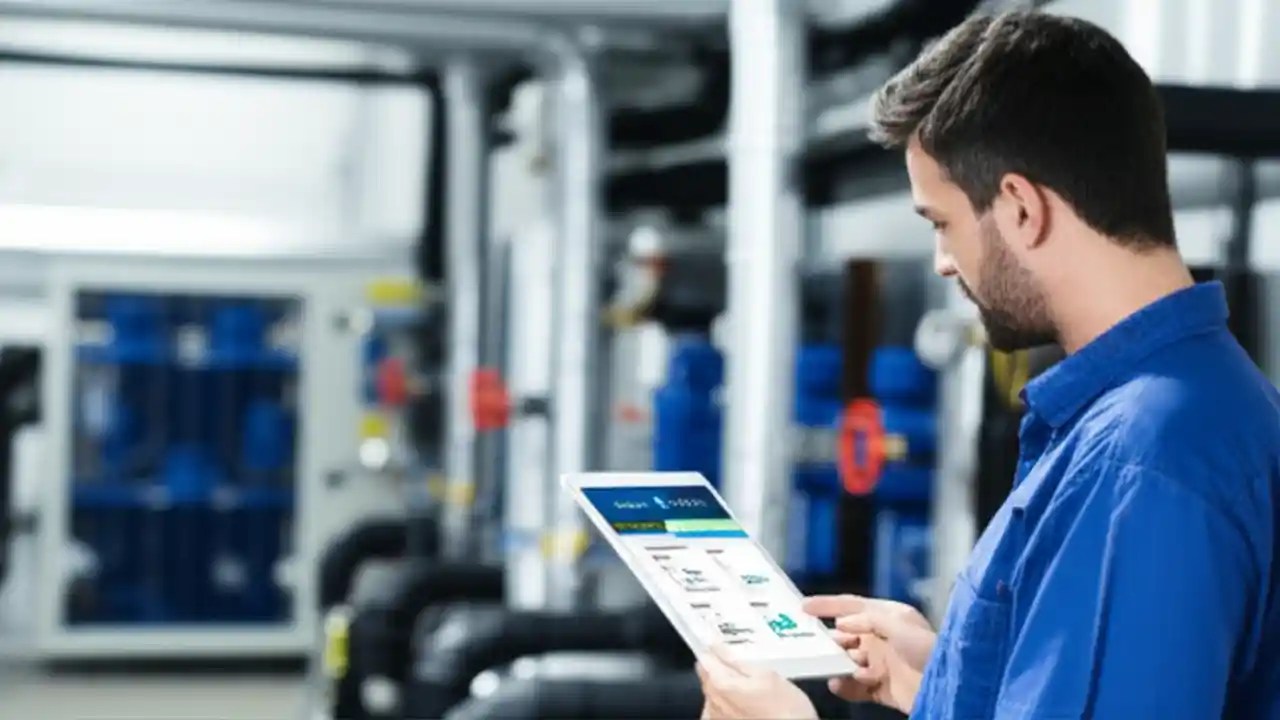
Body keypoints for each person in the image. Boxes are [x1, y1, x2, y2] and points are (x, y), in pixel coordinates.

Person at [698, 9, 1280, 719]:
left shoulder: (1143, 457)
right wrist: (948, 680)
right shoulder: (1177, 412)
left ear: (1020, 209)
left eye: (941, 222)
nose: (943, 262)